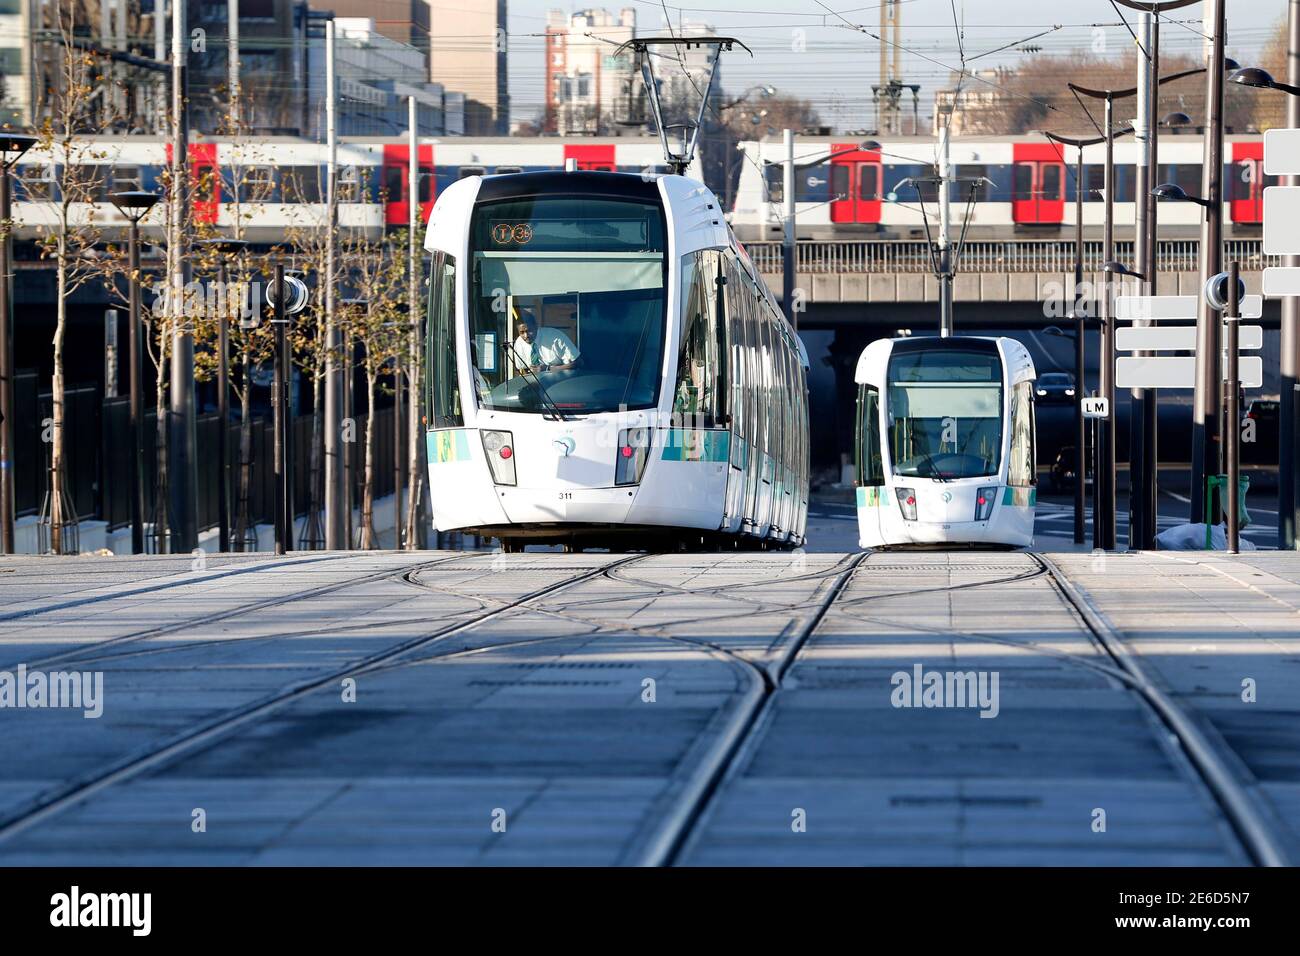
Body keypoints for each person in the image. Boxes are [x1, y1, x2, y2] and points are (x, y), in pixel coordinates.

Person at [512, 311, 579, 374]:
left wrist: (548, 369)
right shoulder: (518, 344)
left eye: (529, 331)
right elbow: (521, 369)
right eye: (522, 332)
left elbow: (577, 363)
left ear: (536, 326)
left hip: (561, 381)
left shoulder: (555, 338)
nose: (526, 336)